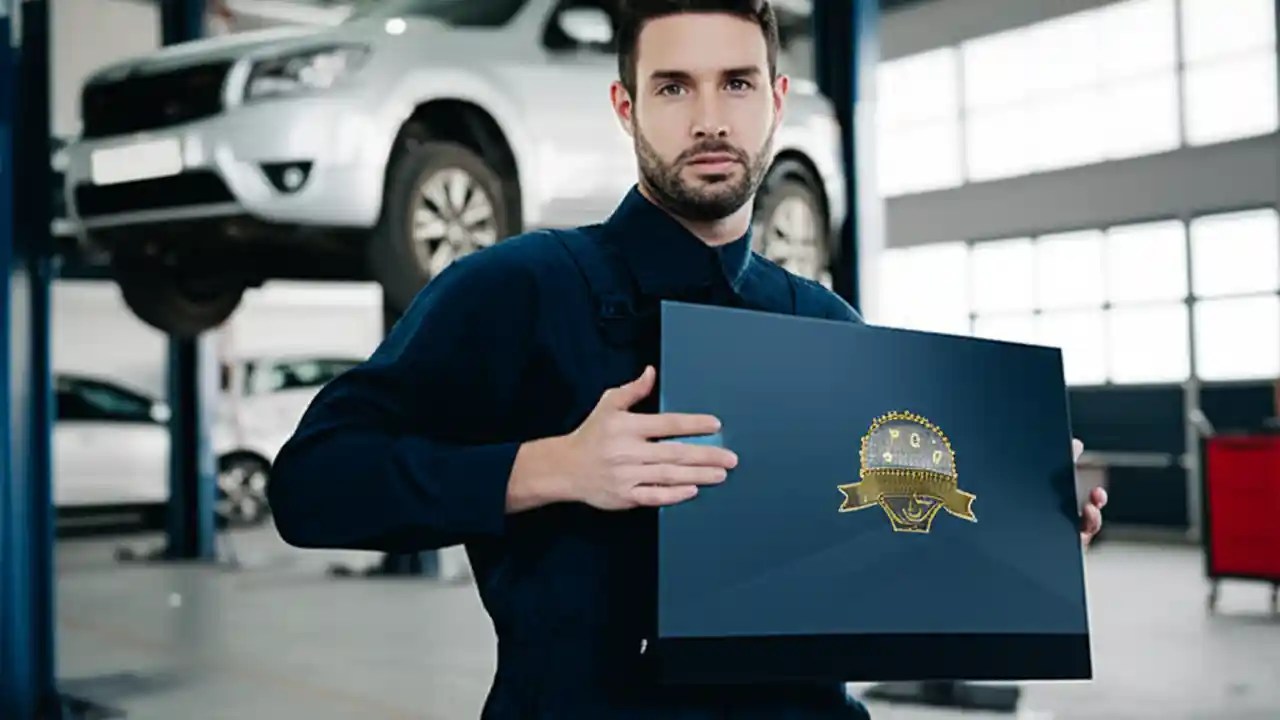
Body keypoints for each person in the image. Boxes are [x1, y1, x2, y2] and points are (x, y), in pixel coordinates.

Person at [267, 1, 1108, 717]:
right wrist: (548, 468)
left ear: (776, 100)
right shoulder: (516, 289)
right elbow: (313, 486)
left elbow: (873, 552)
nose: (710, 118)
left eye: (737, 83)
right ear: (625, 106)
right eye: (674, 87)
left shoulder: (823, 320)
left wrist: (1016, 522)